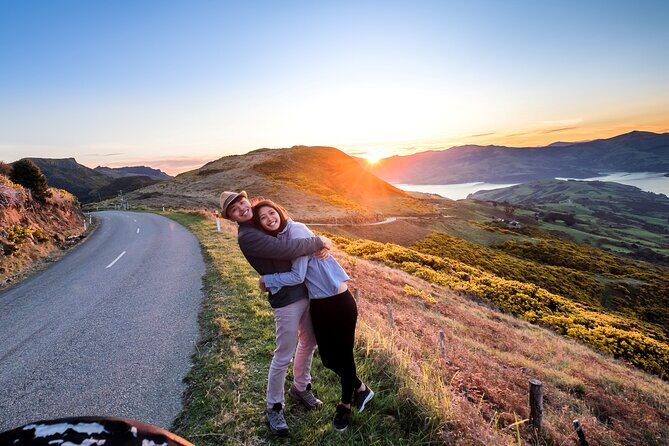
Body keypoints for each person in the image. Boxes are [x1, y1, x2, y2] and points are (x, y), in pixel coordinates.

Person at [253, 198, 374, 432]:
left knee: (344, 356)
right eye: (263, 219)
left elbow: (298, 276)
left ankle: (345, 405)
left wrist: (267, 281)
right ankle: (361, 388)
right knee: (329, 359)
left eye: (271, 213)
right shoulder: (280, 239)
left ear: (279, 210)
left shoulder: (296, 230)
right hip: (318, 303)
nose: (269, 219)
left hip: (338, 300)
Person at [220, 191, 332, 436]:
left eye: (242, 202)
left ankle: (301, 388)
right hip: (286, 300)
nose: (241, 208)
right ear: (231, 217)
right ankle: (274, 406)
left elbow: (288, 233)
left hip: (303, 292)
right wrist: (319, 241)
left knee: (309, 343)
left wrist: (318, 245)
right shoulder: (248, 236)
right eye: (234, 209)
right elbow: (286, 249)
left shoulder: (257, 224)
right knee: (283, 354)